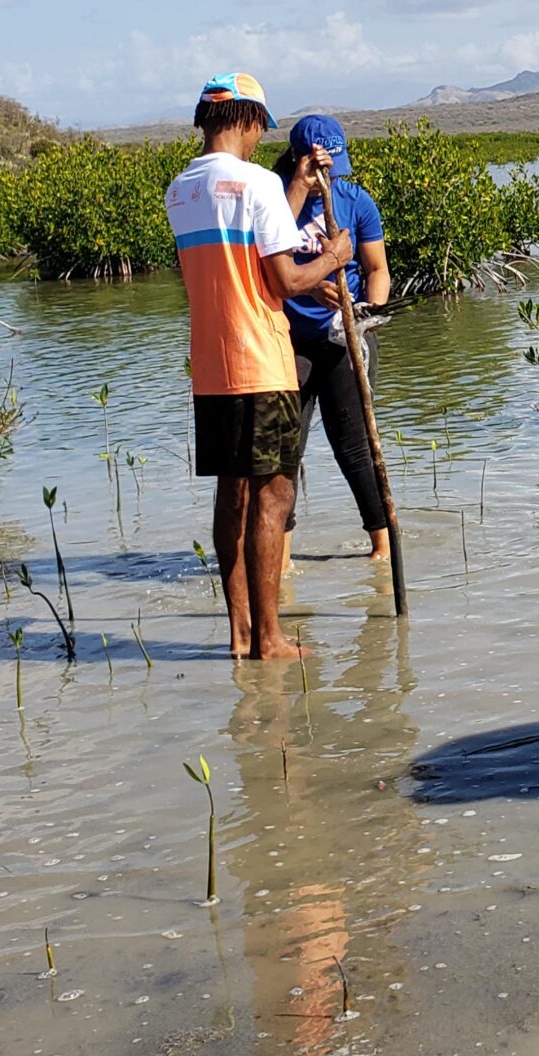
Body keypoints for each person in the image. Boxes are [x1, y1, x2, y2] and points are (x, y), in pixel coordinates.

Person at [164, 74, 352, 658]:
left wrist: (294, 188)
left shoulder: (180, 189)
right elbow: (285, 278)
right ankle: (270, 639)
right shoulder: (257, 182)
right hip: (263, 360)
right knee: (274, 496)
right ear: (247, 121)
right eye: (258, 129)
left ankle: (240, 632)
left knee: (232, 495)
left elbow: (242, 248)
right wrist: (333, 256)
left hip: (213, 366)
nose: (256, 139)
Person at [271, 113, 393, 565]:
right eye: (318, 168)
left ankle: (382, 548)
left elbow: (376, 270)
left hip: (346, 336)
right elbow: (268, 261)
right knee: (286, 447)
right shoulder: (276, 198)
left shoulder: (356, 200)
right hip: (290, 339)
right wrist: (311, 279)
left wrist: (368, 313)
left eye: (332, 169)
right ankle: (280, 557)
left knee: (355, 445)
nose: (327, 179)